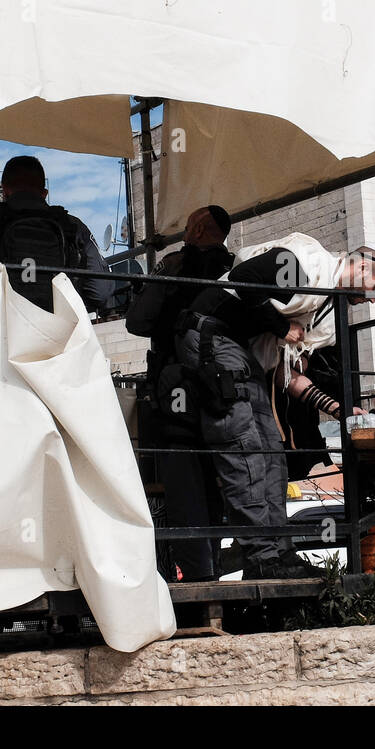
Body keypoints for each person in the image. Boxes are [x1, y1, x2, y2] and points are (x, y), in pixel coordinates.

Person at [175, 234, 375, 579]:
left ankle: (278, 551)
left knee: (272, 453)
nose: (368, 298)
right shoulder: (306, 266)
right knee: (246, 446)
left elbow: (290, 375)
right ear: (362, 262)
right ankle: (261, 554)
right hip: (214, 336)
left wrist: (340, 410)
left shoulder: (320, 306)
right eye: (373, 286)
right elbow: (243, 280)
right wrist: (281, 327)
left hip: (242, 354)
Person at [125, 205, 235, 582]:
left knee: (182, 480)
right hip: (223, 391)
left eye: (188, 225)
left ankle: (197, 578)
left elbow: (137, 322)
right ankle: (215, 571)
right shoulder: (233, 269)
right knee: (217, 481)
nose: (184, 232)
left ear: (200, 229)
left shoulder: (172, 265)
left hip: (177, 389)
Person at [0, 155, 115, 314]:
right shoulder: (73, 226)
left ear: (4, 191)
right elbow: (100, 292)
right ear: (44, 193)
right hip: (58, 332)